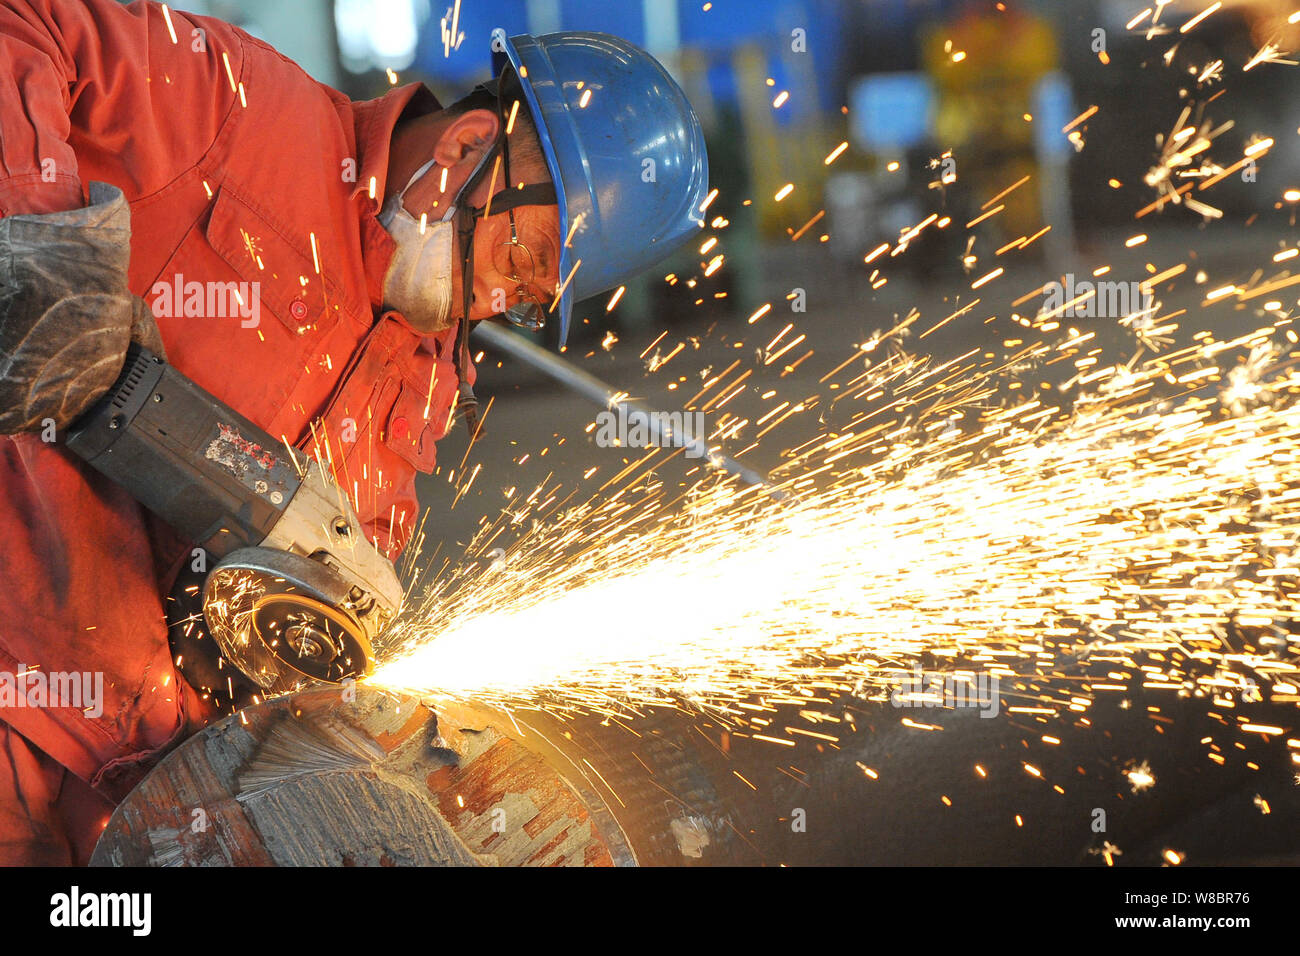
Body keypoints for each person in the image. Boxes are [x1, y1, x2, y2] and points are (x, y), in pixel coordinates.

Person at [0, 0, 708, 864]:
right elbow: (30, 18)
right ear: (463, 150)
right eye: (518, 263)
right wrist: (34, 235)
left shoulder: (422, 379)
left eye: (529, 300)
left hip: (134, 805)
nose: (495, 305)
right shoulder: (239, 112)